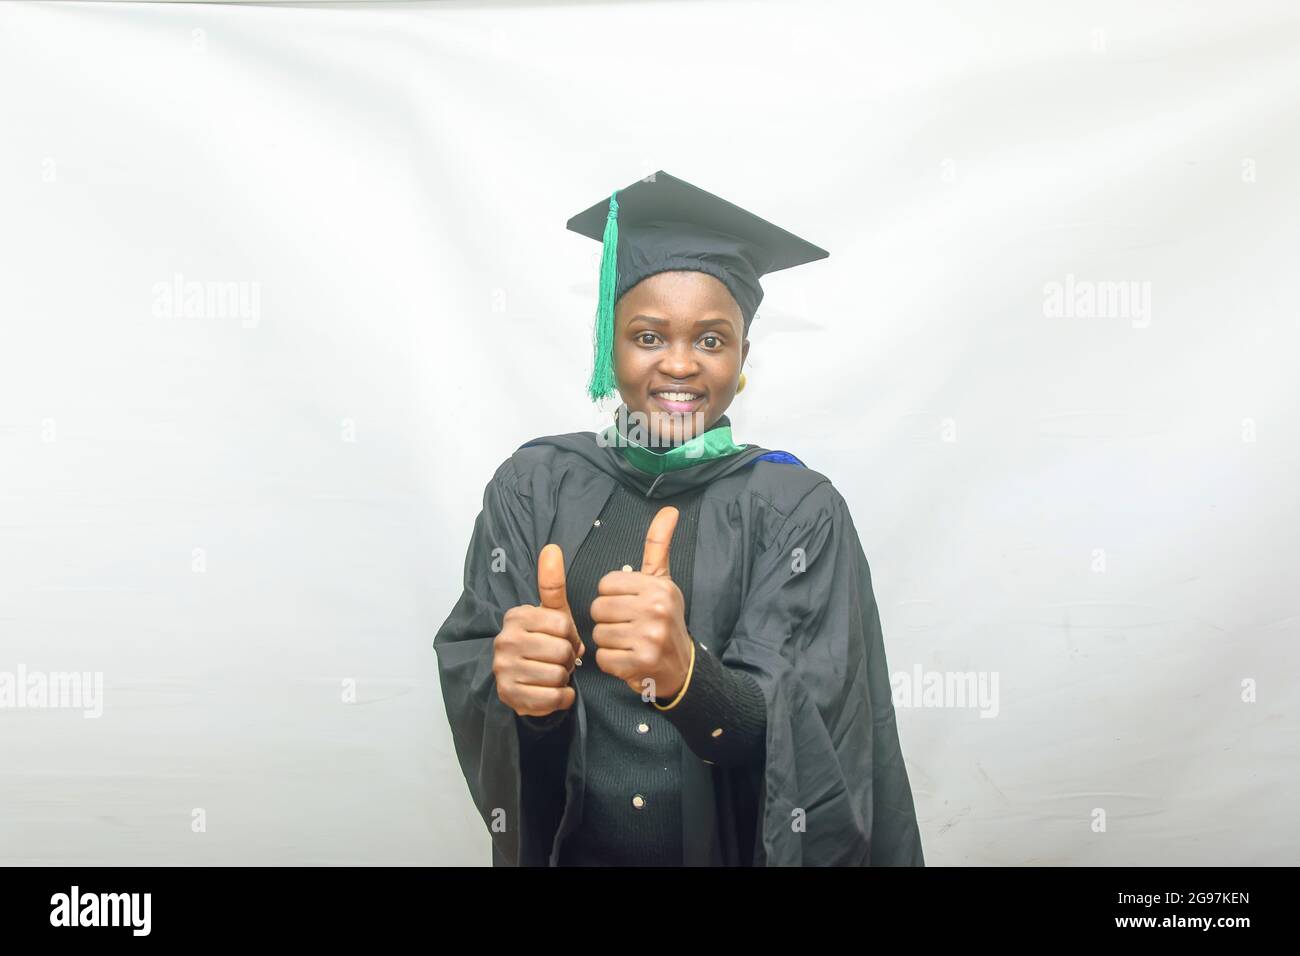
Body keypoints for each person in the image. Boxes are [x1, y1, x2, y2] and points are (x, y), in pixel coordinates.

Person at [433, 171, 924, 866]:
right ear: (610, 346)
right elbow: (482, 670)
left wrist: (690, 675)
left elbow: (811, 733)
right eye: (648, 335)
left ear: (743, 359)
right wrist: (519, 694)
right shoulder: (532, 486)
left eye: (713, 341)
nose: (681, 364)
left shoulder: (797, 511)